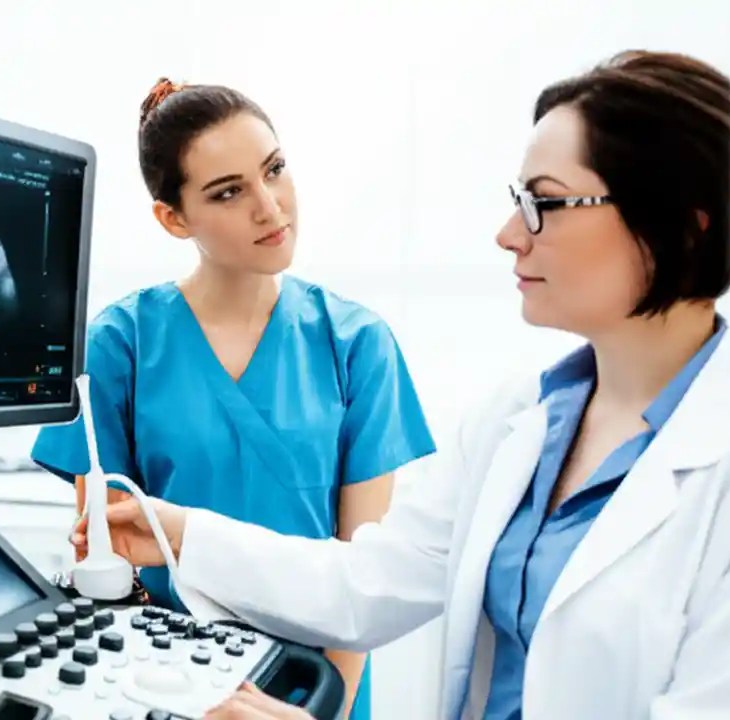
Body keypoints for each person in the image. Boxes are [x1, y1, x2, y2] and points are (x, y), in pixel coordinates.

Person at [76, 50, 730, 719]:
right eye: (517, 202)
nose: (509, 234)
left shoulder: (726, 473)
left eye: (545, 203)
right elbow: (363, 584)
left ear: (683, 224)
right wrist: (177, 530)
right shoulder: (520, 424)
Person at [32, 78, 436, 719]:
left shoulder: (356, 342)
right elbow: (109, 559)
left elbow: (365, 577)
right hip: (168, 683)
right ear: (174, 217)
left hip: (323, 680)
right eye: (228, 192)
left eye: (274, 170)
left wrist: (321, 710)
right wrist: (164, 691)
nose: (270, 207)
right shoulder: (121, 343)